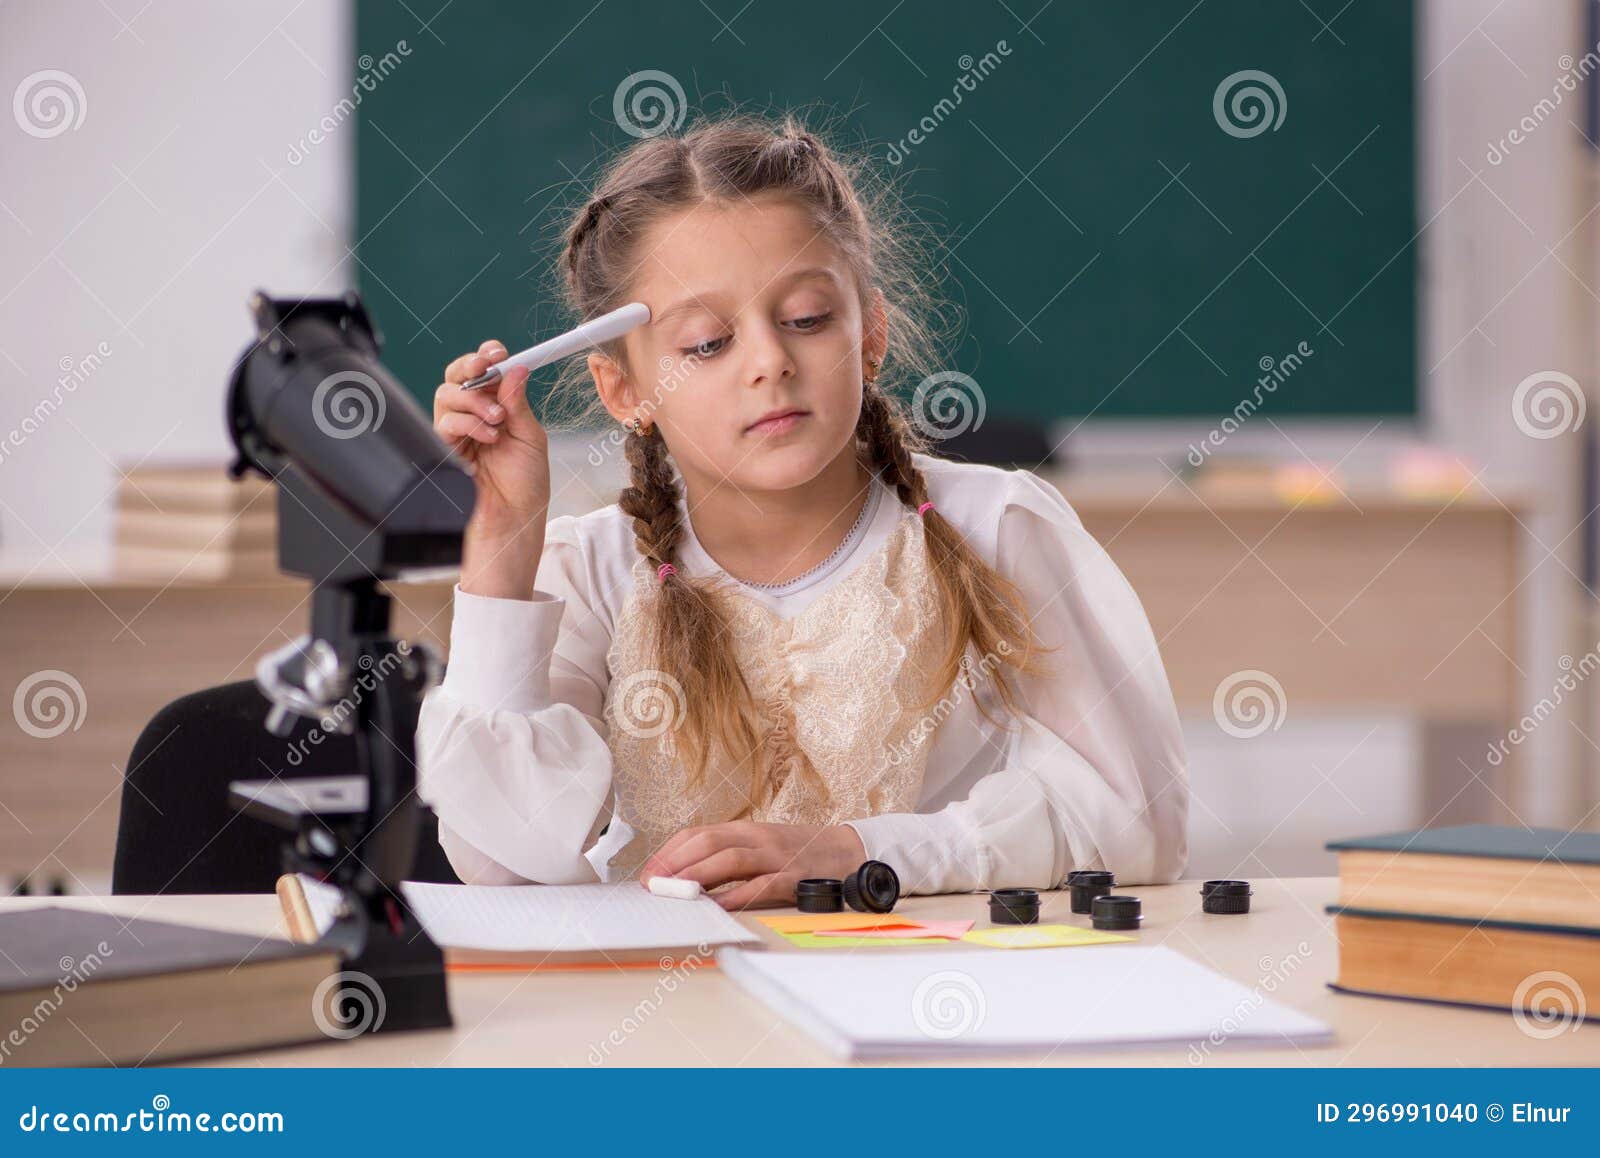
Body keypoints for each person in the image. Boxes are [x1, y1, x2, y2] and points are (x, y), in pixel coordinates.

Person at [418, 113, 1188, 909]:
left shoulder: (998, 527)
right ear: (625, 390)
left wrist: (863, 853)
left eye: (808, 319)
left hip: (935, 1000)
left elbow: (1137, 820)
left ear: (870, 334)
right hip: (672, 1018)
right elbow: (500, 868)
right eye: (708, 343)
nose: (771, 362)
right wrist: (502, 542)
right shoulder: (590, 571)